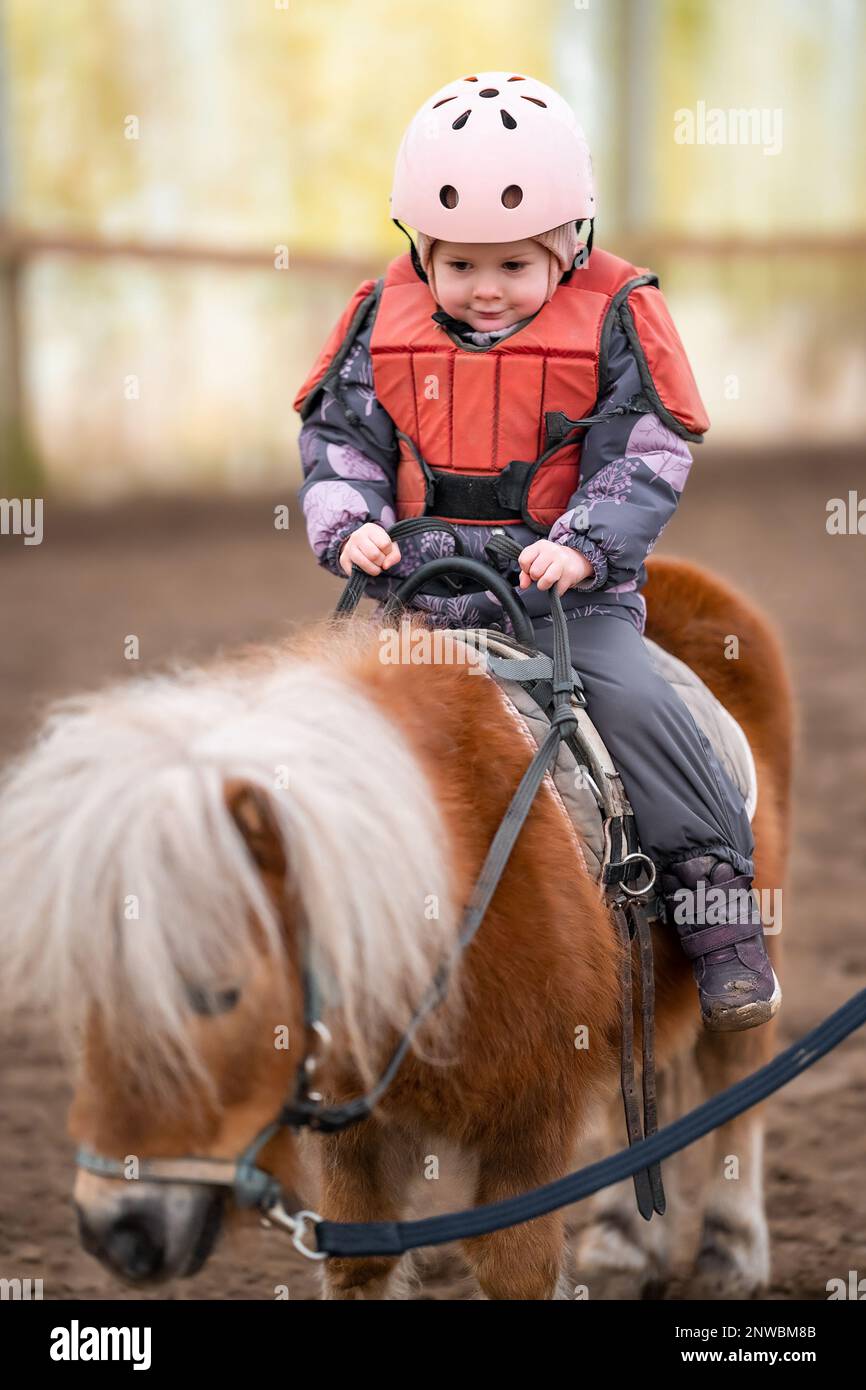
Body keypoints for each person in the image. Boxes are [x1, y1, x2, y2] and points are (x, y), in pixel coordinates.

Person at [293, 71, 780, 1033]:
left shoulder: (617, 317)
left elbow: (647, 449)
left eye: (513, 265)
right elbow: (338, 439)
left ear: (570, 245)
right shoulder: (374, 322)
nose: (484, 289)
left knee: (639, 701)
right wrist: (352, 525)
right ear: (420, 250)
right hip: (419, 597)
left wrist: (584, 545)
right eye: (459, 264)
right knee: (308, 729)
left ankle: (719, 912)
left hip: (567, 603)